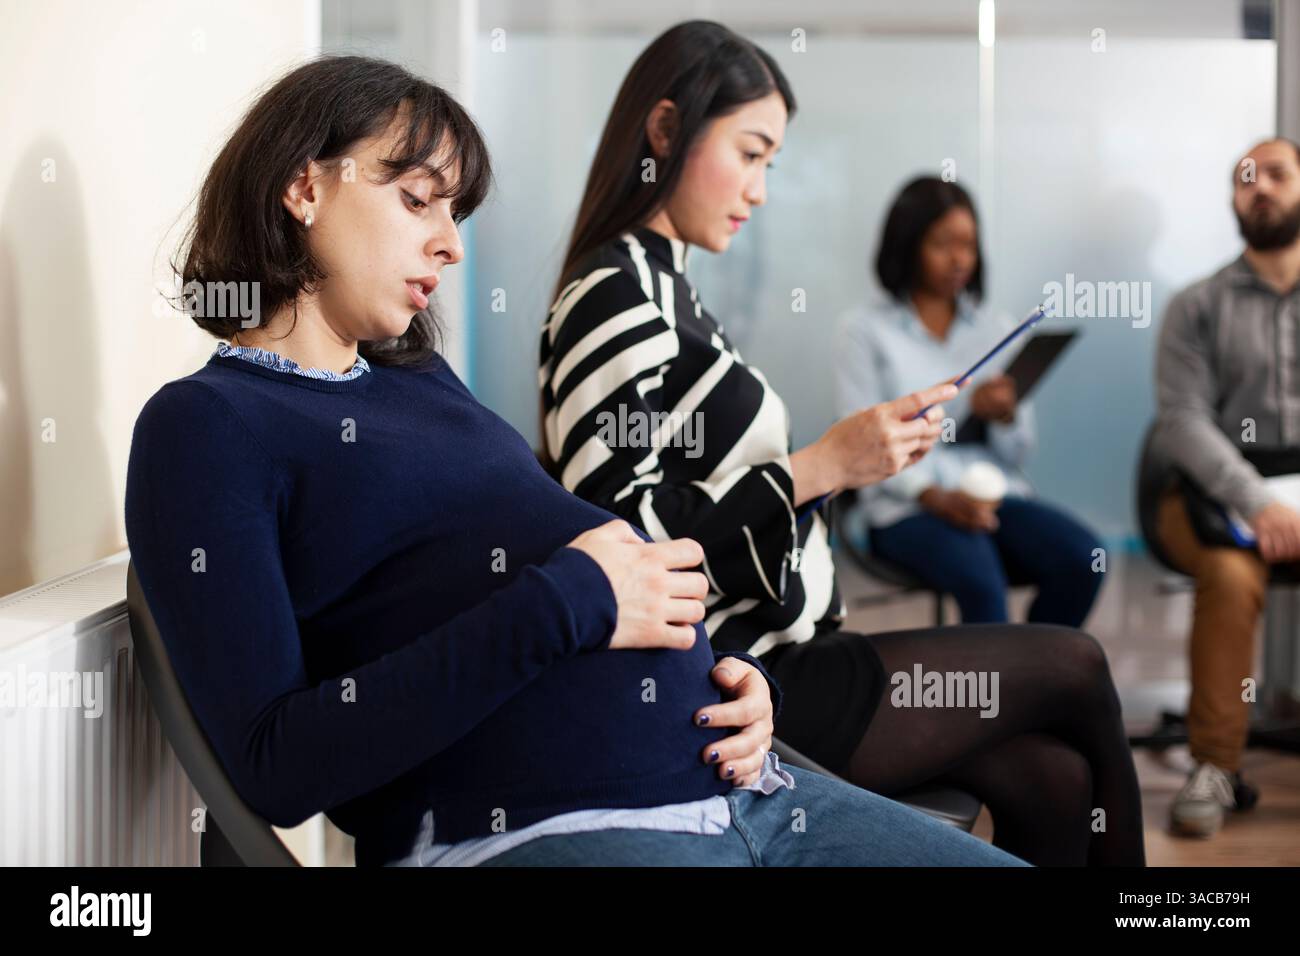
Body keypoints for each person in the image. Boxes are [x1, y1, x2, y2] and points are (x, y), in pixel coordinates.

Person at [124, 54, 1023, 868]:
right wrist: (576, 598)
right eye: (416, 199)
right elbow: (278, 766)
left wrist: (735, 691)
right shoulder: (208, 425)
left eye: (456, 211)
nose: (451, 243)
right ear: (303, 187)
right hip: (534, 828)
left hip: (753, 794)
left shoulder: (424, 385)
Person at [540, 20, 1144, 866]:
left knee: (1052, 780)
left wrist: (850, 459)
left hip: (787, 654)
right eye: (749, 153)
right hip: (743, 681)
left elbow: (711, 494)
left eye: (771, 165)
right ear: (666, 130)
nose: (758, 188)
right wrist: (822, 465)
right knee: (1075, 666)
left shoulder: (667, 290)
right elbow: (620, 540)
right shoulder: (615, 295)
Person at [835, 176, 1104, 627]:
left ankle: (1041, 678)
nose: (960, 259)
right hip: (905, 506)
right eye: (943, 244)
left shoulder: (994, 328)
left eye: (969, 245)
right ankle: (992, 696)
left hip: (993, 498)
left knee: (1085, 558)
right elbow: (860, 445)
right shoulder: (863, 331)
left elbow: (1019, 453)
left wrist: (1004, 417)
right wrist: (932, 495)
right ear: (907, 244)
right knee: (981, 581)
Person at [1152, 137, 1300, 838]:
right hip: (1213, 500)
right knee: (1232, 574)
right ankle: (1214, 762)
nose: (1260, 188)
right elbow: (1182, 420)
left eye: (1276, 174)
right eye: (1246, 179)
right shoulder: (1197, 304)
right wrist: (1258, 501)